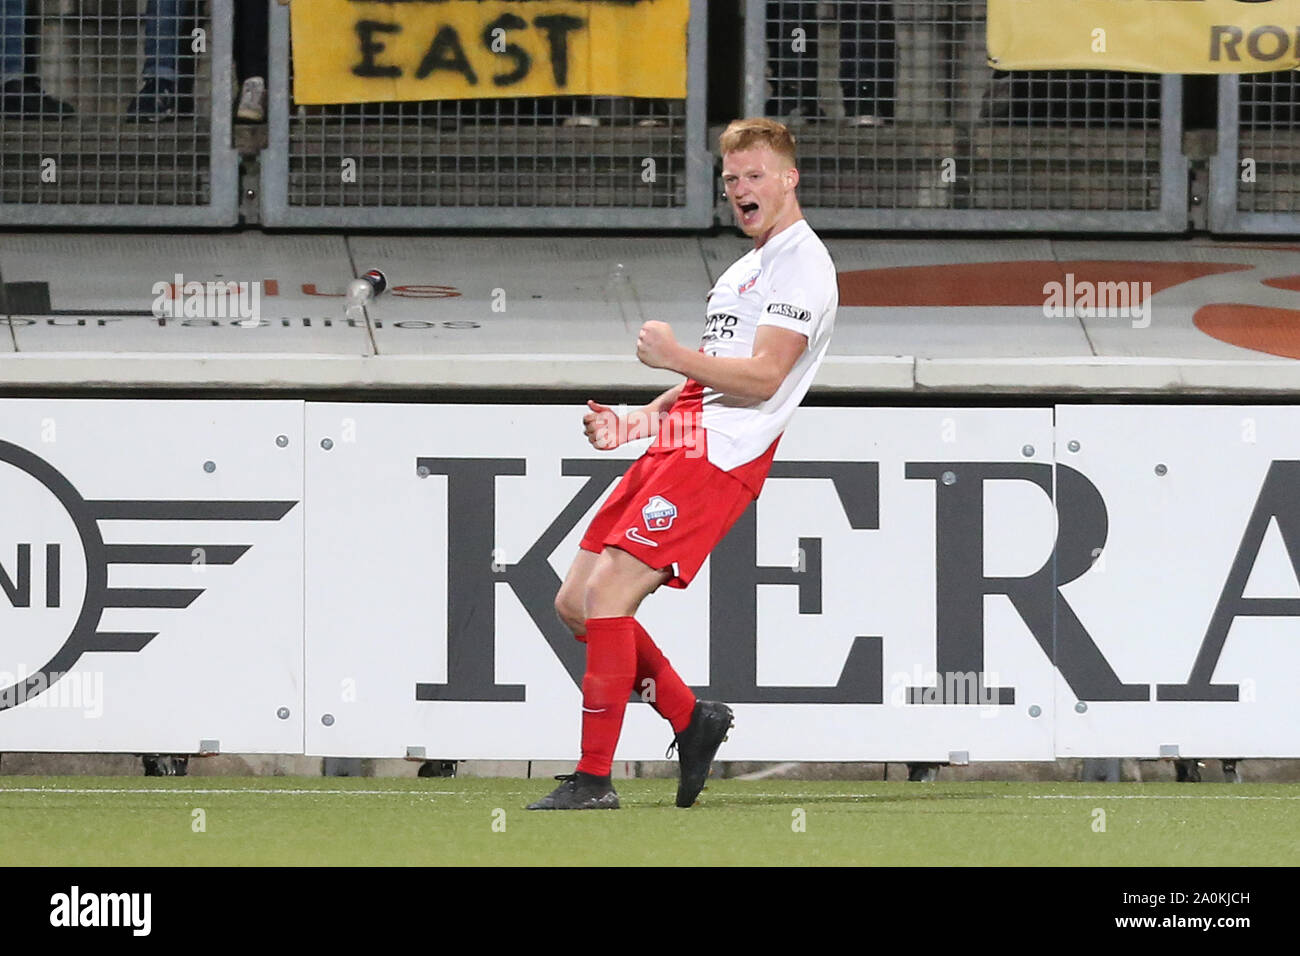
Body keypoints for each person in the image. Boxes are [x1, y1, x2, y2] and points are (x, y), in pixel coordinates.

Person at [527, 117, 839, 810]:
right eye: (731, 179)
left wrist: (670, 354)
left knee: (608, 599)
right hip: (682, 443)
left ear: (789, 179)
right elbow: (712, 377)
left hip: (721, 458)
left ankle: (593, 779)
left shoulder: (802, 265)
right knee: (575, 605)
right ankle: (691, 718)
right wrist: (640, 418)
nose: (741, 190)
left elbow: (761, 380)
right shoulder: (747, 265)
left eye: (755, 175)